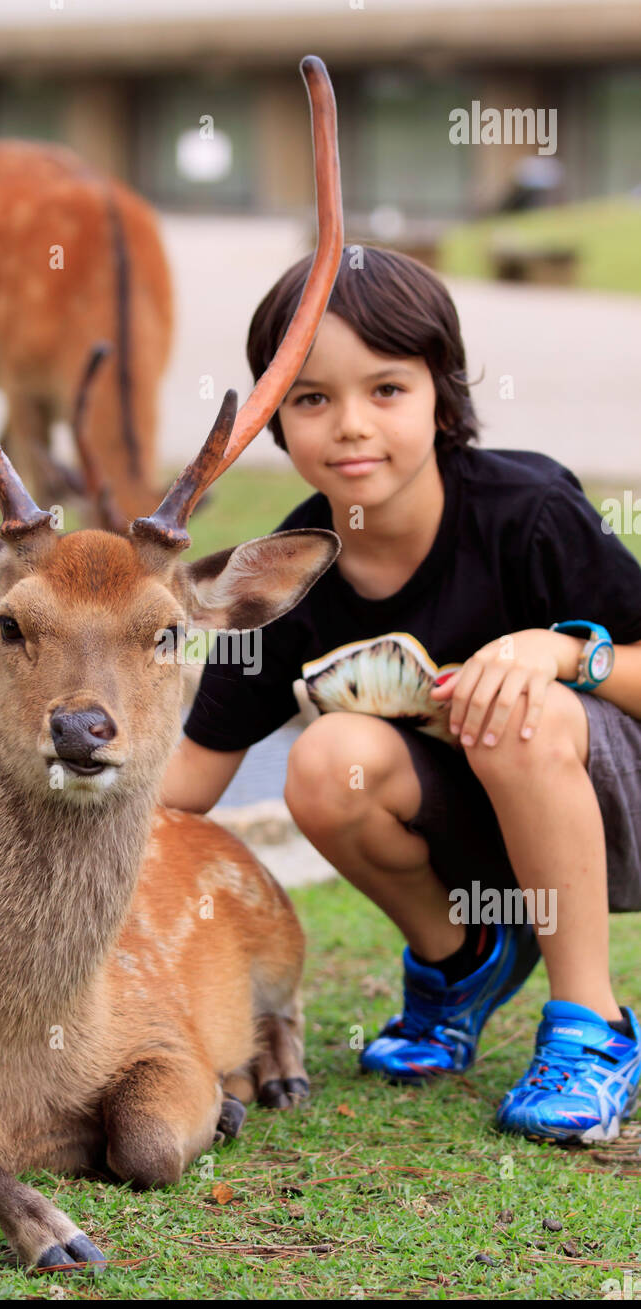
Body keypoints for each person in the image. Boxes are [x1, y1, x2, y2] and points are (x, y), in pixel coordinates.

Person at [160, 244, 641, 1144]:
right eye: (312, 398)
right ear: (273, 417)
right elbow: (189, 779)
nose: (350, 425)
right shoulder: (290, 569)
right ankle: (461, 960)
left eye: (386, 390)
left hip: (619, 809)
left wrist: (558, 654)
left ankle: (593, 1026)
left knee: (514, 707)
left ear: (441, 397)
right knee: (326, 761)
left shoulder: (527, 512)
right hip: (494, 843)